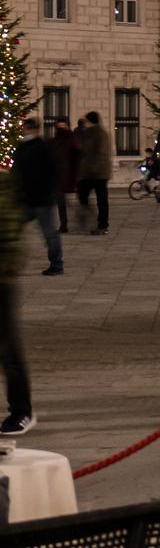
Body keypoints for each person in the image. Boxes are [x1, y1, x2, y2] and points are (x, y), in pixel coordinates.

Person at [0, 161, 32, 434]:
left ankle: (21, 411)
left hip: (1, 279)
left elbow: (11, 236)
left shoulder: (3, 186)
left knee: (8, 350)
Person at [13, 119, 61, 276]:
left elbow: (16, 172)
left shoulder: (30, 148)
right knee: (49, 232)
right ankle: (56, 264)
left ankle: (56, 264)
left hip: (36, 198)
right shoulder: (41, 146)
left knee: (48, 232)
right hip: (36, 197)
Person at [74, 111, 112, 233]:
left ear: (90, 121)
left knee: (101, 200)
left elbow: (101, 153)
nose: (84, 123)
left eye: (86, 121)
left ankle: (102, 225)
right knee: (83, 195)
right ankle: (91, 220)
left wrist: (93, 168)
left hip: (98, 173)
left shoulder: (100, 134)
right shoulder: (88, 133)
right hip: (90, 172)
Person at [49, 120, 77, 231]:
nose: (61, 130)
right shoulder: (55, 141)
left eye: (63, 127)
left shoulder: (71, 141)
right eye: (59, 127)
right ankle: (63, 224)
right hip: (57, 175)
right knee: (60, 201)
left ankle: (64, 224)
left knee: (61, 201)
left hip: (66, 175)